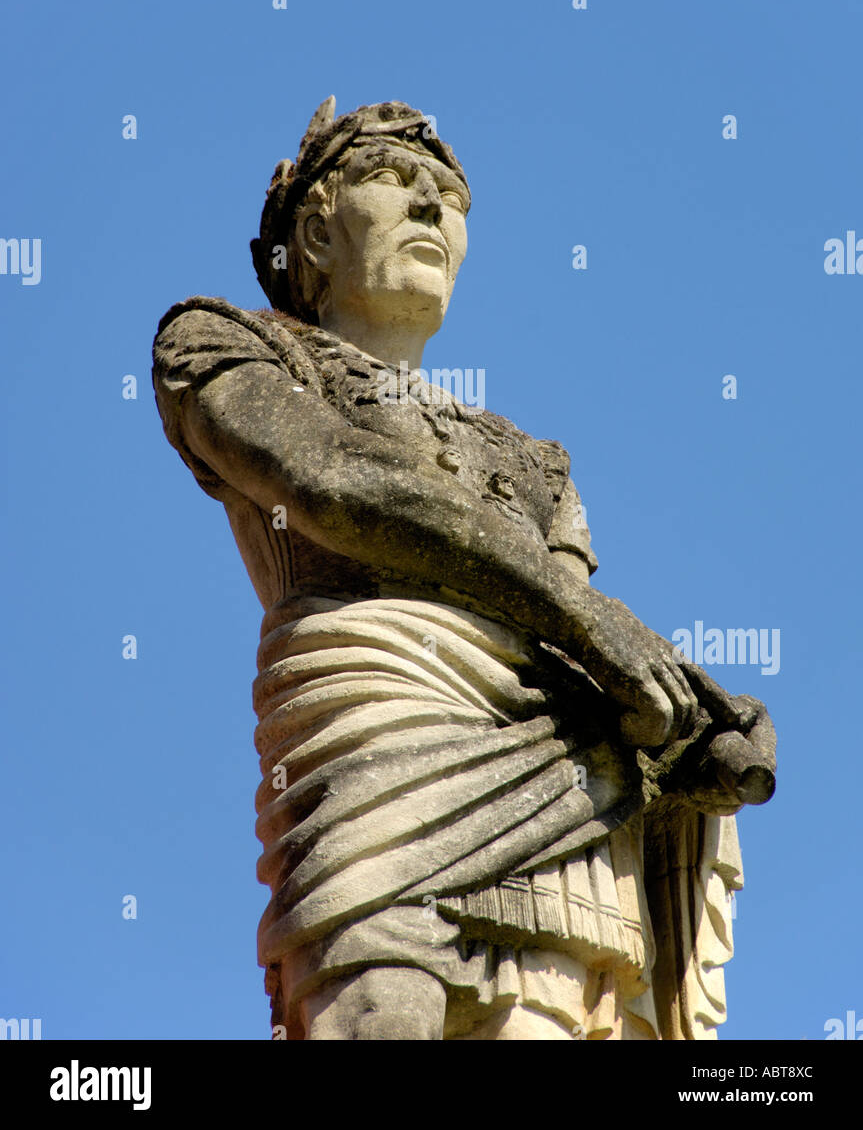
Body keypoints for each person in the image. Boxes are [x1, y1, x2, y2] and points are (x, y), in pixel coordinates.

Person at [152, 97, 771, 1040]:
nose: (432, 211)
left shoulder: (532, 461)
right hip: (375, 742)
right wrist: (591, 621)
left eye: (449, 196)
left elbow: (580, 650)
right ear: (315, 233)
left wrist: (687, 716)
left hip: (559, 786)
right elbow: (335, 487)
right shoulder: (224, 344)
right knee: (371, 1007)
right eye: (394, 184)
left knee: (549, 1017)